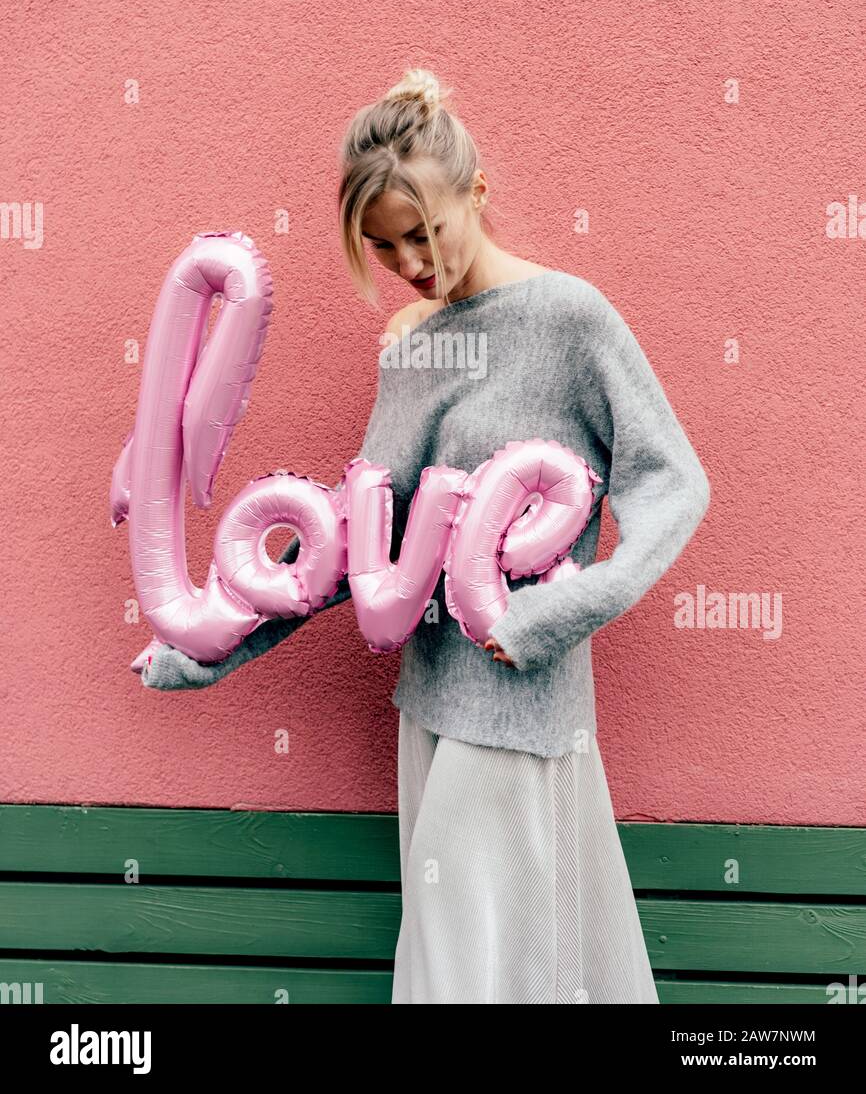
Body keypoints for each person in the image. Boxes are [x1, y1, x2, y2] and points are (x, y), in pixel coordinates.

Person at [135, 66, 711, 1004]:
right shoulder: (411, 345)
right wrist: (213, 648)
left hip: (522, 704)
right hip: (431, 702)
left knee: (479, 970)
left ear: (476, 194)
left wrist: (559, 614)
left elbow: (672, 484)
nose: (409, 261)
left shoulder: (570, 316)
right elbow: (356, 546)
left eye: (423, 231)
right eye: (383, 245)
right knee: (484, 966)